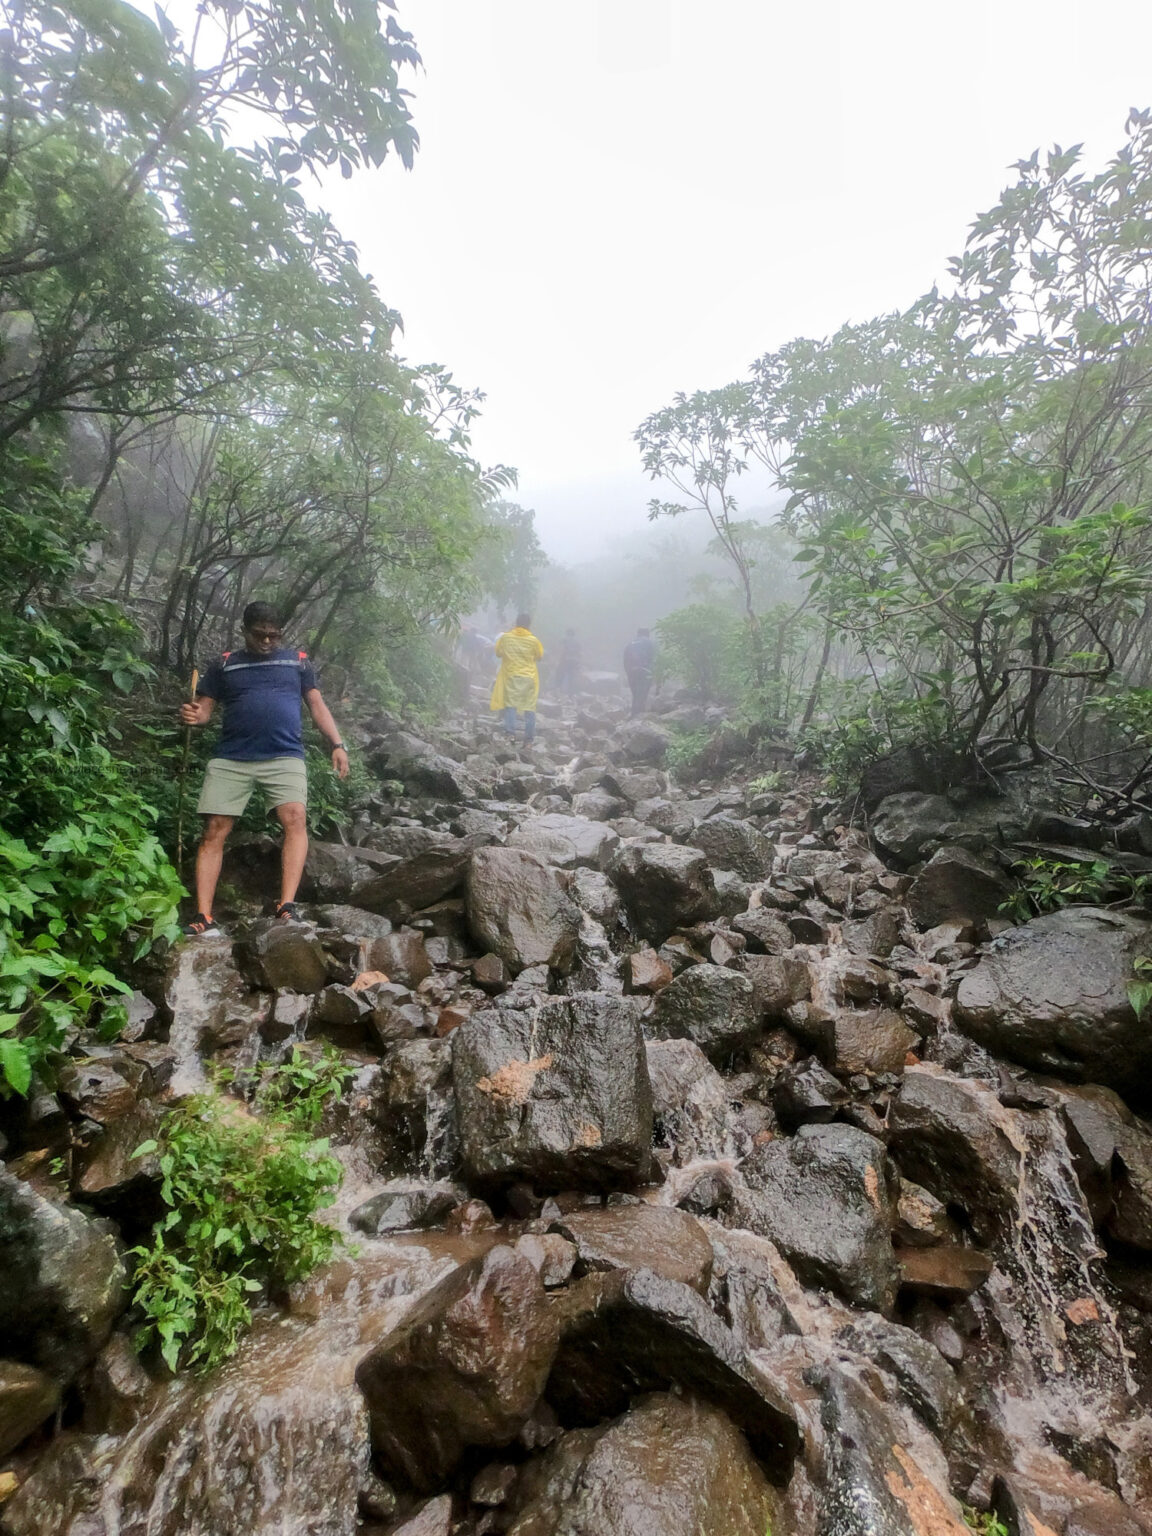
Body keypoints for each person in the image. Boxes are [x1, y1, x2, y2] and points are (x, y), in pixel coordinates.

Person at [178, 601, 349, 937]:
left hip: (284, 755)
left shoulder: (297, 662)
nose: (268, 641)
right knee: (214, 828)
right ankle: (203, 916)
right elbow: (204, 713)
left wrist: (337, 745)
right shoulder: (225, 664)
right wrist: (192, 716)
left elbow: (316, 705)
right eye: (261, 635)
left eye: (274, 635)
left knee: (295, 817)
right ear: (245, 631)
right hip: (232, 756)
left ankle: (286, 906)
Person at [490, 612, 543, 743]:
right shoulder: (534, 640)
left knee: (511, 706)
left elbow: (498, 653)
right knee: (529, 709)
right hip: (529, 678)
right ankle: (529, 741)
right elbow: (539, 656)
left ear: (516, 623)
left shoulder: (506, 638)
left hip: (511, 675)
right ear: (529, 625)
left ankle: (510, 734)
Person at [623, 627, 656, 715]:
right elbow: (654, 659)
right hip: (646, 671)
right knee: (642, 694)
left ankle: (634, 715)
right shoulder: (650, 643)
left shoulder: (630, 644)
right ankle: (639, 716)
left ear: (638, 634)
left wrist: (628, 674)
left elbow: (625, 660)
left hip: (632, 671)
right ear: (648, 634)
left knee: (635, 694)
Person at [552, 627, 582, 696]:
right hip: (574, 661)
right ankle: (570, 692)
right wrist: (578, 662)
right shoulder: (577, 642)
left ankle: (558, 689)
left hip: (565, 660)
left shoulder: (565, 639)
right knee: (571, 676)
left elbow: (559, 647)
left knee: (560, 674)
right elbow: (579, 652)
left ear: (567, 633)